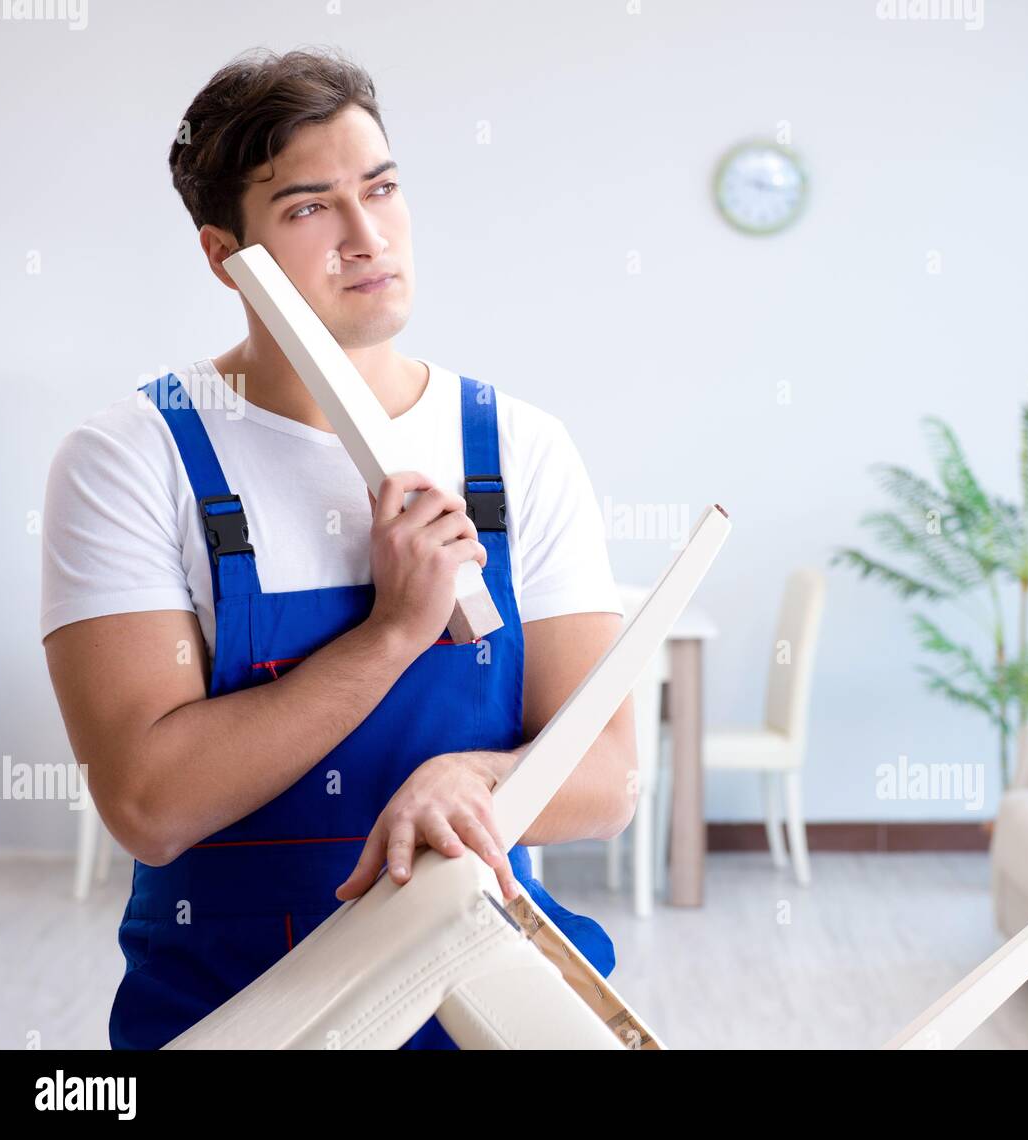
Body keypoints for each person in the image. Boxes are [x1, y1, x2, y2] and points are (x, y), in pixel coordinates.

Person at [39, 46, 635, 1050]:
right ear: (227, 255)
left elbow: (609, 780)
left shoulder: (516, 449)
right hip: (236, 1016)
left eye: (383, 189)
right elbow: (150, 804)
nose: (368, 238)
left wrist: (481, 780)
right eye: (311, 207)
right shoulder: (133, 458)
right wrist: (393, 632)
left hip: (488, 1006)